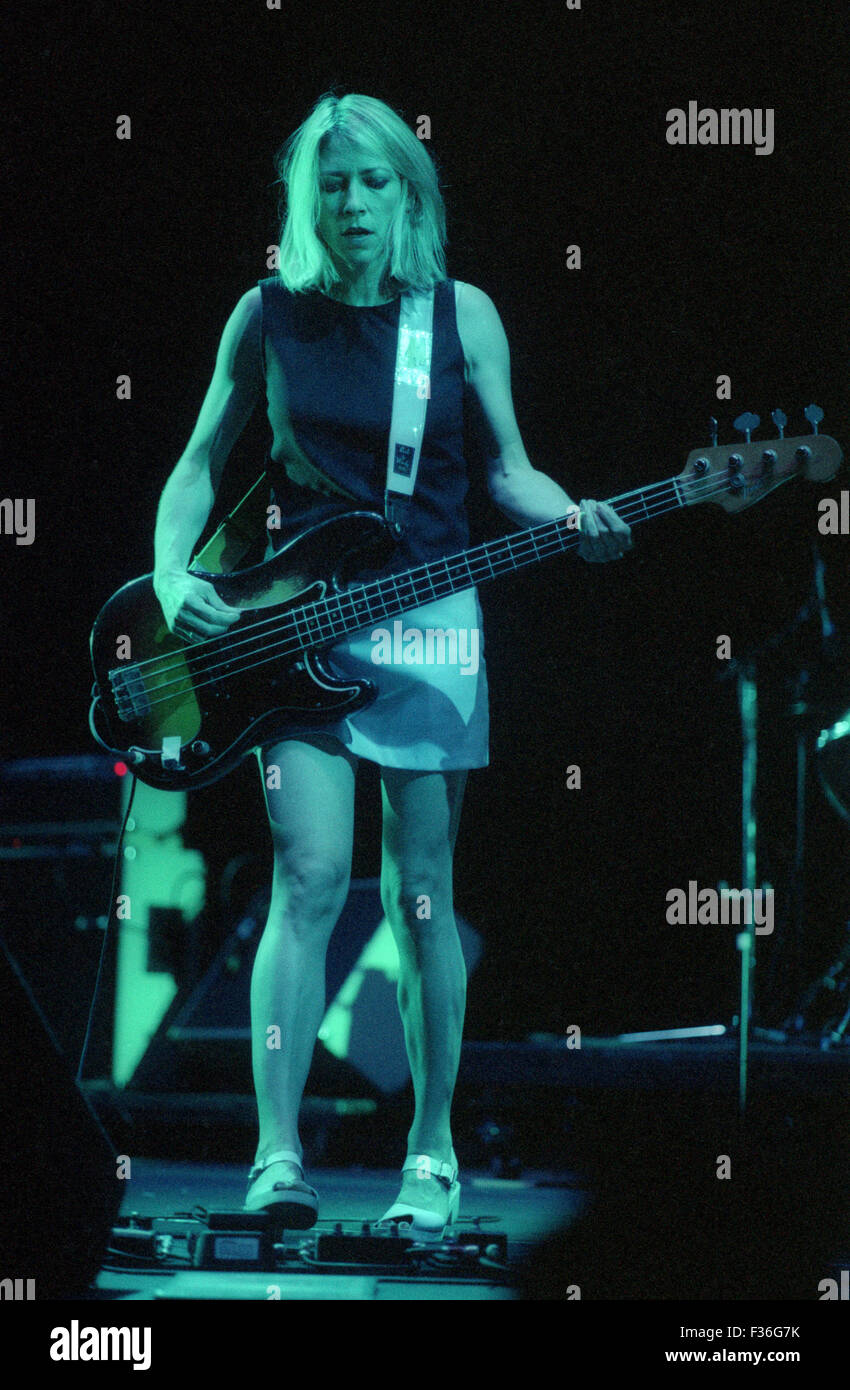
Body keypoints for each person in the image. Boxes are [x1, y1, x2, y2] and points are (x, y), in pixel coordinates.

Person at [152, 92, 632, 1239]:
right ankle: (276, 1153)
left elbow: (508, 472)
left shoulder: (459, 315)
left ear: (408, 194)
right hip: (298, 624)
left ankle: (432, 1148)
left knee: (422, 892)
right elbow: (194, 465)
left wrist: (578, 516)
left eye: (374, 182)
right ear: (304, 200)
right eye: (332, 183)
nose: (353, 202)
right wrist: (173, 580)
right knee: (308, 874)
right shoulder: (266, 316)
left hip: (431, 621)